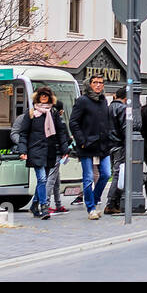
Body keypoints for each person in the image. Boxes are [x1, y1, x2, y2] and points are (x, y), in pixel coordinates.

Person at [70, 76, 114, 219]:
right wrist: (81, 140)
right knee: (88, 177)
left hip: (103, 144)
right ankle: (90, 208)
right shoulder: (82, 101)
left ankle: (94, 201)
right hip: (87, 145)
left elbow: (106, 121)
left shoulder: (103, 100)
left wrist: (109, 136)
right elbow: (73, 122)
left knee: (106, 174)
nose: (98, 85)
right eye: (95, 82)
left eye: (101, 83)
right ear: (89, 84)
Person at [19, 87, 65, 220]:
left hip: (50, 150)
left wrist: (64, 149)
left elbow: (60, 132)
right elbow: (23, 133)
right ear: (37, 97)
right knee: (42, 179)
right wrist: (23, 150)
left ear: (50, 97)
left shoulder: (53, 113)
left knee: (43, 181)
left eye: (46, 95)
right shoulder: (31, 112)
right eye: (41, 95)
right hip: (35, 150)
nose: (44, 97)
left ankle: (34, 204)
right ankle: (44, 206)